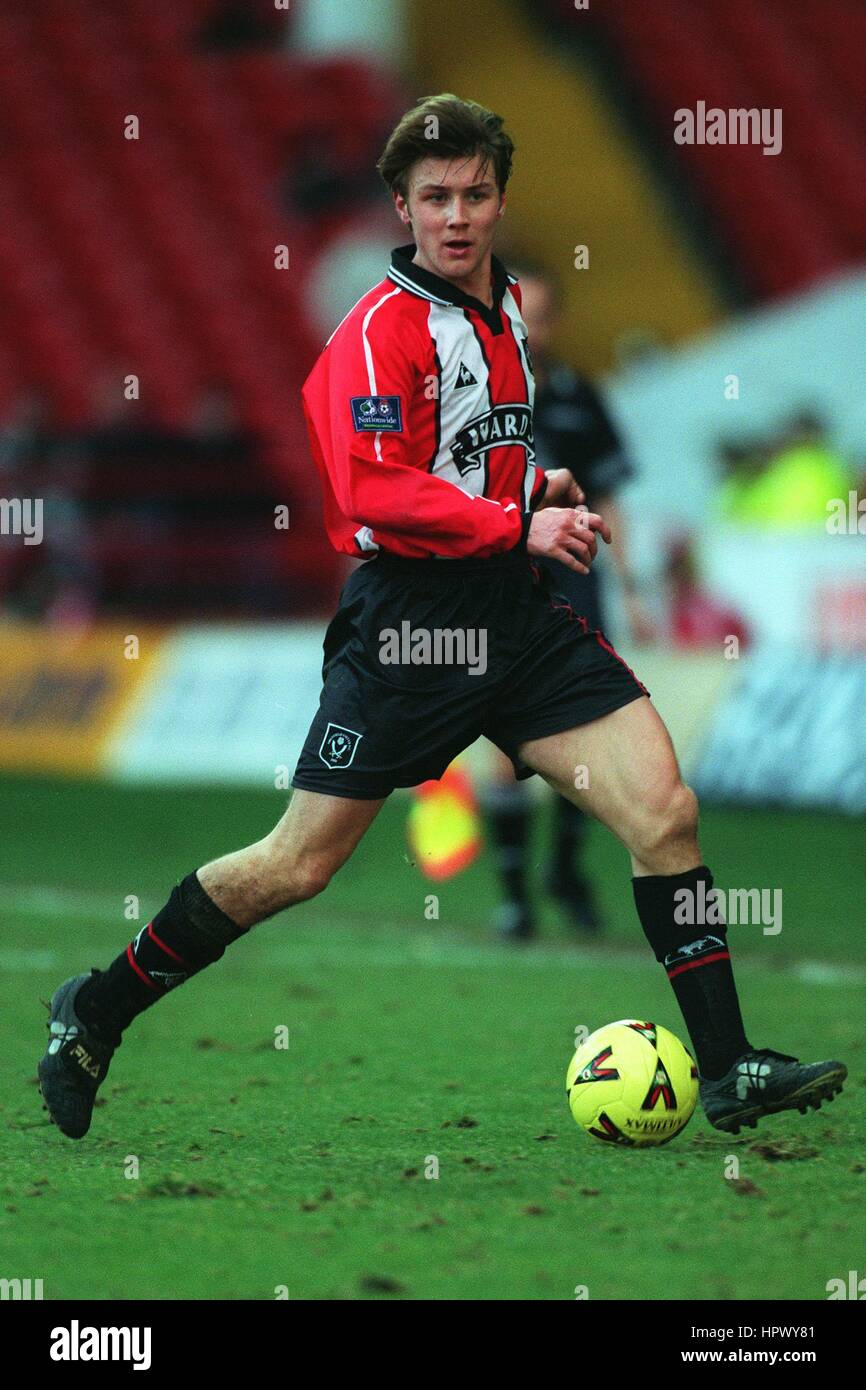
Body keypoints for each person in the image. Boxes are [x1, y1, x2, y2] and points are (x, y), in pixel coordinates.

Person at [39, 93, 846, 1142]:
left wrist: (536, 488)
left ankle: (728, 1064)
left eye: (472, 194)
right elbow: (373, 490)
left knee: (665, 814)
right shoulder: (378, 333)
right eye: (433, 197)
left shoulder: (503, 306)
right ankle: (97, 1008)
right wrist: (512, 522)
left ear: (498, 198)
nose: (455, 215)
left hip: (513, 619)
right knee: (297, 864)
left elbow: (468, 456)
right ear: (400, 205)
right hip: (408, 632)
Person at [481, 263, 652, 941]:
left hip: (578, 584)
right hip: (501, 589)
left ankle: (565, 871)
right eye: (523, 312)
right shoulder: (478, 396)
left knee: (585, 737)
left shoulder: (581, 397)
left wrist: (632, 585)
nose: (534, 327)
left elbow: (609, 495)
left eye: (544, 314)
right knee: (506, 743)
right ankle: (516, 895)